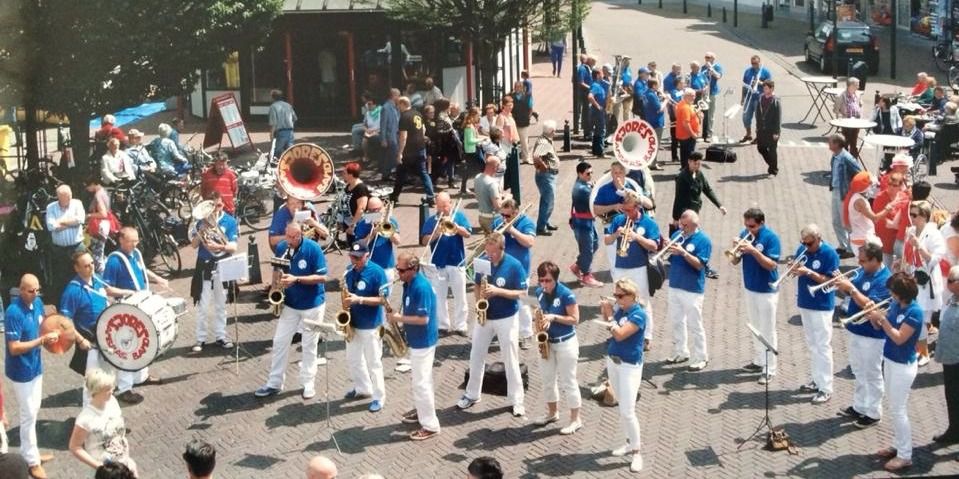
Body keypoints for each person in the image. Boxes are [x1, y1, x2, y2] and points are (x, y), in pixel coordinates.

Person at [255, 223, 328, 399]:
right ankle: (274, 383)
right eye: (286, 236)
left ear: (300, 235)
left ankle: (308, 383)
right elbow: (276, 269)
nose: (288, 240)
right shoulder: (282, 247)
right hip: (290, 304)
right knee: (280, 342)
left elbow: (323, 277)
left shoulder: (313, 249)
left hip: (312, 305)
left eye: (292, 237)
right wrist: (274, 290)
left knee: (309, 345)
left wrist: (297, 279)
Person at [457, 233, 528, 416]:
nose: (490, 256)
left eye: (493, 253)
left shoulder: (514, 266)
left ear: (502, 249)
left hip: (506, 317)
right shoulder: (483, 260)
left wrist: (498, 291)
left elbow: (522, 293)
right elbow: (477, 285)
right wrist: (480, 301)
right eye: (487, 252)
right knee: (476, 355)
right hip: (486, 315)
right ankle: (472, 394)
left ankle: (516, 400)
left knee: (510, 358)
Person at [59, 251, 135, 405]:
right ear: (77, 268)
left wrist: (130, 293)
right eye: (86, 266)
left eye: (92, 263)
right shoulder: (72, 291)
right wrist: (80, 340)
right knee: (92, 384)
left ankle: (106, 419)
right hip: (90, 342)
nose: (91, 267)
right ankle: (90, 421)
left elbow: (109, 290)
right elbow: (64, 321)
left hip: (105, 337)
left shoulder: (96, 279)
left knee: (107, 379)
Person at [867, 272, 923, 472]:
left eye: (892, 291)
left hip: (903, 366)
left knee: (899, 410)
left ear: (901, 294)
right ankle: (898, 444)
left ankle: (905, 455)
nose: (890, 294)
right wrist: (873, 318)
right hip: (890, 360)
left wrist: (883, 321)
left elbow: (899, 337)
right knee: (893, 406)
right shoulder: (896, 305)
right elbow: (882, 329)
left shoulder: (914, 312)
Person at [5, 274, 58, 479]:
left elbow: (42, 325)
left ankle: (31, 451)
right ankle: (31, 461)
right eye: (30, 291)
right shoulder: (13, 313)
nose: (34, 294)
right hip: (21, 372)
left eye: (37, 290)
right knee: (28, 414)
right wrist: (42, 341)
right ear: (20, 289)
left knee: (34, 410)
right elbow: (14, 348)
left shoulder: (37, 304)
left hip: (35, 367)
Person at [834, 241, 892, 428]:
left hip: (872, 337)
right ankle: (860, 406)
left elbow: (870, 305)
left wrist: (850, 288)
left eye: (864, 261)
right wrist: (840, 284)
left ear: (876, 260)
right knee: (858, 370)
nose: (860, 264)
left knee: (872, 373)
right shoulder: (864, 271)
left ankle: (873, 412)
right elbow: (851, 288)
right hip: (856, 330)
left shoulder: (884, 280)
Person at [387, 252, 441, 440]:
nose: (398, 273)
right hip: (417, 340)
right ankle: (421, 410)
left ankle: (430, 425)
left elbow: (423, 319)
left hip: (424, 341)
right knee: (420, 381)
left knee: (421, 383)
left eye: (401, 270)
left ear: (413, 269)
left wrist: (398, 318)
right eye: (397, 269)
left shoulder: (421, 287)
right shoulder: (408, 284)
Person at [599, 278, 648, 473]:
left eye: (620, 296)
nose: (616, 299)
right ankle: (629, 442)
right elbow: (610, 326)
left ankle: (637, 452)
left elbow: (619, 334)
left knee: (628, 411)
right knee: (621, 407)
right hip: (614, 361)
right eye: (615, 295)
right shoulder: (622, 310)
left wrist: (610, 316)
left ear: (632, 296)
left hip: (629, 366)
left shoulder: (639, 315)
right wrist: (606, 311)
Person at [531, 261, 582, 434]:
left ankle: (576, 419)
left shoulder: (567, 294)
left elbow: (575, 319)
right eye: (542, 280)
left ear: (555, 279)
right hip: (547, 342)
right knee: (547, 380)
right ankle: (552, 413)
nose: (544, 284)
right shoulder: (539, 293)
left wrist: (553, 317)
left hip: (565, 342)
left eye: (548, 281)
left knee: (569, 381)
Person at [603, 190, 658, 347]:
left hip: (639, 268)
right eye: (624, 210)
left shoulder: (649, 223)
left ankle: (646, 337)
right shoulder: (619, 219)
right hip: (621, 267)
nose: (626, 213)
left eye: (629, 210)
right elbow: (607, 241)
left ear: (637, 207)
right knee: (620, 301)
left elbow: (654, 246)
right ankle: (621, 331)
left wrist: (637, 237)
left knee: (642, 302)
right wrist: (615, 235)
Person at [793, 224, 840, 404]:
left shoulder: (830, 254)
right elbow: (799, 267)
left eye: (809, 243)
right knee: (813, 345)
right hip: (805, 302)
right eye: (803, 243)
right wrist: (794, 268)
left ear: (819, 238)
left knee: (823, 346)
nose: (806, 247)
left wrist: (809, 272)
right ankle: (816, 379)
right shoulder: (802, 249)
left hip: (821, 305)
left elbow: (832, 282)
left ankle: (826, 388)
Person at [736, 208, 782, 383]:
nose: (749, 229)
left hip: (767, 291)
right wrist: (737, 249)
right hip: (750, 287)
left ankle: (770, 367)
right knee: (755, 326)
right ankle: (759, 360)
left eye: (752, 226)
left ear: (761, 223)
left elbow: (771, 265)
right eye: (746, 226)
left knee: (768, 329)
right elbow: (734, 260)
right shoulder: (745, 234)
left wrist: (753, 250)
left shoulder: (771, 238)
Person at [342, 242, 389, 412]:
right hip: (353, 323)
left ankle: (379, 397)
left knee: (374, 363)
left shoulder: (377, 272)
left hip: (371, 325)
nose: (354, 260)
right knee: (353, 359)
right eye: (352, 257)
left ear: (367, 255)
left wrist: (359, 300)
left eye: (358, 258)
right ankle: (363, 388)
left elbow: (383, 300)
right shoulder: (349, 271)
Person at [189, 192, 238, 353]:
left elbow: (234, 247)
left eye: (219, 206)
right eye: (213, 206)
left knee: (221, 304)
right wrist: (199, 231)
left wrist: (220, 247)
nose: (215, 210)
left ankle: (221, 336)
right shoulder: (200, 222)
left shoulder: (229, 221)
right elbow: (194, 245)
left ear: (223, 205)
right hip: (205, 266)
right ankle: (200, 338)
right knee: (203, 305)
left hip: (222, 264)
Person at [664, 210, 712, 371]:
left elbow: (699, 265)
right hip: (675, 284)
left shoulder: (704, 240)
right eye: (680, 224)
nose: (681, 227)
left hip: (692, 288)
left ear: (694, 224)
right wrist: (667, 249)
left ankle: (701, 357)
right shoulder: (677, 234)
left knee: (695, 324)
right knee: (677, 321)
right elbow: (669, 258)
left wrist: (683, 253)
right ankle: (681, 351)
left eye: (685, 225)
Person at [420, 192, 471, 336]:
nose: (443, 209)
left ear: (450, 203)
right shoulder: (431, 221)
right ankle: (442, 325)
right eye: (440, 206)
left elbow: (467, 234)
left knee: (460, 295)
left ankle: (461, 325)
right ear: (436, 205)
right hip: (438, 263)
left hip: (456, 262)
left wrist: (456, 226)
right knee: (439, 296)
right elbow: (424, 241)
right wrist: (436, 232)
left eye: (445, 205)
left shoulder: (458, 216)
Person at [68, 369, 137, 475]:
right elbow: (74, 447)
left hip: (124, 465)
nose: (112, 390)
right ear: (96, 391)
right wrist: (100, 467)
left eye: (112, 387)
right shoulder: (85, 419)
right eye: (108, 389)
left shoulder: (113, 402)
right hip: (105, 473)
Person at [903, 200, 946, 367]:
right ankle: (918, 349)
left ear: (924, 216)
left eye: (914, 215)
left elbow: (936, 258)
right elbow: (909, 255)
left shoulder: (934, 234)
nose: (911, 218)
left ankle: (924, 353)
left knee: (920, 319)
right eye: (910, 214)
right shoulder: (912, 230)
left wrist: (919, 246)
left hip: (926, 284)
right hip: (913, 280)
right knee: (918, 319)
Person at [491, 198, 537, 349]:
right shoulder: (498, 222)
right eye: (502, 215)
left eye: (507, 216)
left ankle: (527, 334)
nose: (504, 218)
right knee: (499, 299)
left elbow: (529, 242)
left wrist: (512, 230)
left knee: (522, 302)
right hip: (501, 269)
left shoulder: (526, 222)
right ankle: (498, 331)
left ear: (516, 213)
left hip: (520, 270)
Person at [671, 152, 727, 240]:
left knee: (692, 233)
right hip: (685, 212)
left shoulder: (699, 174)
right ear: (689, 161)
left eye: (699, 164)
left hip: (695, 209)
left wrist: (719, 205)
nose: (697, 166)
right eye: (695, 163)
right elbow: (678, 198)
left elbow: (707, 190)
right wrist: (675, 217)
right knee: (689, 233)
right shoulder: (681, 177)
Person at [390, 96, 436, 204]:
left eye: (398, 105)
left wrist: (400, 153)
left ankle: (394, 196)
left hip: (409, 150)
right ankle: (430, 196)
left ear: (402, 104)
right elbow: (423, 129)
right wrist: (420, 137)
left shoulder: (404, 117)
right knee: (423, 173)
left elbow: (403, 136)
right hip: (420, 147)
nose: (398, 108)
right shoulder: (418, 114)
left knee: (401, 172)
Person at [45, 184, 86, 305]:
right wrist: (71, 223)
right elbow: (51, 226)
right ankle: (64, 303)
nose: (69, 199)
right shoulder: (51, 207)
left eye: (70, 196)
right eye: (65, 197)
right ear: (58, 197)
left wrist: (61, 222)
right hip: (59, 249)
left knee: (81, 275)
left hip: (77, 247)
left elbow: (80, 220)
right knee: (62, 278)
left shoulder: (77, 203)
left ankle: (82, 300)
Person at [934, 265, 959, 444]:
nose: (947, 284)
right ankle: (954, 430)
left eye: (950, 281)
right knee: (952, 396)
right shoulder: (953, 299)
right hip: (950, 358)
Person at [828, 134, 863, 258]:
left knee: (846, 222)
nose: (829, 143)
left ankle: (851, 249)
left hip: (844, 193)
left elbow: (858, 173)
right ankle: (842, 245)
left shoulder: (847, 158)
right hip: (836, 190)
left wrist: (851, 190)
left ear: (837, 144)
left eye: (831, 142)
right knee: (836, 220)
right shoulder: (835, 156)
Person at [570, 162, 603, 288]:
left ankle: (578, 266)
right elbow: (596, 201)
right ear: (579, 174)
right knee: (587, 249)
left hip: (586, 221)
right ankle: (586, 275)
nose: (590, 176)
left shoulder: (583, 184)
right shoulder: (582, 189)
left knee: (594, 244)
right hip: (582, 223)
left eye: (591, 173)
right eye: (587, 174)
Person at [354, 196, 401, 281]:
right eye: (372, 210)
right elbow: (358, 248)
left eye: (378, 209)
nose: (375, 213)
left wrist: (387, 228)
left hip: (386, 267)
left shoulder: (391, 221)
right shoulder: (362, 223)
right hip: (369, 268)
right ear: (368, 210)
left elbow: (398, 241)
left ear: (383, 207)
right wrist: (372, 234)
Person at [875, 172, 909, 267]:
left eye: (894, 185)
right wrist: (899, 226)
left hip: (899, 239)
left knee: (899, 268)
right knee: (886, 267)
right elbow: (878, 218)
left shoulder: (903, 197)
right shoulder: (880, 197)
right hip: (885, 239)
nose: (890, 187)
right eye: (889, 184)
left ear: (900, 186)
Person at [532, 120, 560, 235]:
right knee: (547, 201)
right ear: (552, 131)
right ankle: (541, 226)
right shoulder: (544, 143)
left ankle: (546, 221)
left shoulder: (545, 139)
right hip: (546, 176)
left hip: (547, 175)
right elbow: (536, 156)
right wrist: (544, 166)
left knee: (548, 200)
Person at [84, 177, 114, 272]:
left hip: (99, 226)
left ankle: (101, 274)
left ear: (93, 184)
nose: (87, 189)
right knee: (100, 251)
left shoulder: (98, 195)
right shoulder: (104, 192)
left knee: (97, 254)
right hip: (106, 224)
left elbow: (102, 213)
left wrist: (89, 215)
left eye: (88, 186)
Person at [740, 55, 772, 143]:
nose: (754, 65)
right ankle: (748, 134)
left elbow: (770, 85)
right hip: (749, 97)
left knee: (759, 119)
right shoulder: (747, 71)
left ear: (759, 62)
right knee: (745, 117)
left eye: (755, 63)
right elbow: (744, 85)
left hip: (760, 98)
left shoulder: (765, 72)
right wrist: (742, 97)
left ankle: (759, 137)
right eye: (752, 63)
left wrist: (760, 82)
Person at [755, 80, 781, 176]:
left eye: (766, 88)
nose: (764, 90)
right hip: (762, 129)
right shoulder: (760, 98)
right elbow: (757, 114)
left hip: (772, 130)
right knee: (760, 148)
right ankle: (773, 164)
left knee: (772, 150)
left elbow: (778, 118)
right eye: (764, 88)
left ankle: (773, 171)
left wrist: (776, 132)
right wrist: (757, 127)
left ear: (771, 89)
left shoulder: (775, 101)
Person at [199, 152, 238, 216]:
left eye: (223, 165)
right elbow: (203, 190)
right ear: (215, 164)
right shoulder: (207, 174)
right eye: (219, 164)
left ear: (226, 164)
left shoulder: (231, 174)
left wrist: (232, 199)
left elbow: (235, 190)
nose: (221, 167)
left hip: (228, 210)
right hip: (212, 210)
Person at [341, 162, 370, 245]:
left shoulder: (361, 188)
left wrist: (352, 225)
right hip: (349, 222)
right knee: (351, 247)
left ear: (351, 175)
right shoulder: (348, 186)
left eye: (344, 173)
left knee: (357, 248)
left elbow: (361, 209)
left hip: (358, 225)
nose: (342, 175)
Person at [835, 77, 864, 157]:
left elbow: (860, 105)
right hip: (846, 122)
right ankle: (843, 160)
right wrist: (840, 121)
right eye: (856, 85)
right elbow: (836, 110)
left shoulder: (857, 94)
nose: (858, 87)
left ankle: (853, 162)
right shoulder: (841, 96)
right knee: (846, 142)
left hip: (856, 122)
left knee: (854, 141)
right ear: (851, 85)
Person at [473, 155, 502, 234]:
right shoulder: (492, 183)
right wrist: (507, 198)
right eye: (498, 166)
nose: (499, 168)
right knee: (496, 242)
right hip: (492, 219)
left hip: (482, 217)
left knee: (488, 241)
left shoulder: (477, 177)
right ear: (495, 167)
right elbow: (498, 206)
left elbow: (477, 196)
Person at [642, 78, 666, 171]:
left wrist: (660, 97)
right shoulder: (651, 95)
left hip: (650, 120)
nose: (659, 86)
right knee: (656, 144)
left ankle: (650, 162)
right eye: (658, 84)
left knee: (651, 143)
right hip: (656, 122)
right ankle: (653, 163)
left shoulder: (646, 93)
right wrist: (666, 100)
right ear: (654, 85)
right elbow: (659, 108)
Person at [675, 88, 701, 170]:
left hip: (683, 135)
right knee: (689, 155)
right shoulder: (685, 108)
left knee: (684, 154)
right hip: (687, 136)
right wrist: (693, 134)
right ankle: (688, 170)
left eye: (695, 96)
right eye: (692, 96)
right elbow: (686, 124)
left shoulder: (681, 104)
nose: (694, 98)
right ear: (686, 96)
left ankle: (684, 168)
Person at [510, 81, 535, 164]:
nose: (517, 88)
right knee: (512, 141)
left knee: (524, 140)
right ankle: (512, 159)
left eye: (519, 87)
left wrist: (528, 117)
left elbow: (531, 108)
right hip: (513, 121)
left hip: (524, 121)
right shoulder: (511, 97)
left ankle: (526, 158)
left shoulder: (528, 96)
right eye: (516, 86)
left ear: (522, 88)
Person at [269, 89, 297, 159]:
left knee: (277, 154)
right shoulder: (288, 105)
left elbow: (274, 123)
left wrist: (271, 136)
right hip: (290, 132)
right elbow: (294, 118)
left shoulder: (273, 106)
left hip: (280, 132)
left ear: (273, 97)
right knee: (291, 154)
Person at [379, 88, 401, 179]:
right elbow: (383, 124)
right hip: (390, 136)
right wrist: (383, 139)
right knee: (392, 156)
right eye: (398, 95)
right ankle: (386, 174)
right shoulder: (386, 107)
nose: (399, 97)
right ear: (394, 95)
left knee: (392, 155)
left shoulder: (396, 107)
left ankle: (388, 173)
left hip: (396, 135)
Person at [702, 52, 724, 141]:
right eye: (706, 57)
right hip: (705, 93)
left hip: (712, 92)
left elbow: (718, 76)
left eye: (708, 57)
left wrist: (711, 68)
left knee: (710, 113)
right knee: (704, 113)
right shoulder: (703, 67)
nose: (706, 59)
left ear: (713, 58)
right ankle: (704, 132)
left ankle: (709, 132)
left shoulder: (717, 66)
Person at [587, 68, 608, 158]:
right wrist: (598, 106)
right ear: (598, 75)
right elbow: (590, 96)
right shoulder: (596, 85)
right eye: (601, 73)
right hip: (598, 112)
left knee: (597, 131)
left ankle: (595, 151)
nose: (603, 75)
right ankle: (600, 152)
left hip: (597, 112)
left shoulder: (599, 84)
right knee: (601, 131)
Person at [576, 54, 595, 140]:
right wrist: (590, 87)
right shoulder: (582, 69)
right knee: (586, 113)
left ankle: (588, 131)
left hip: (588, 93)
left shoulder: (587, 68)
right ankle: (586, 132)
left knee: (588, 113)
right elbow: (581, 82)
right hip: (585, 94)